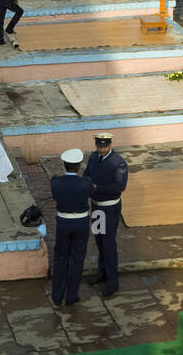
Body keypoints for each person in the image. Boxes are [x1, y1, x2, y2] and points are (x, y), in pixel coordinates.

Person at [84, 132, 128, 297]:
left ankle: (112, 282)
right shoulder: (94, 157)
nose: (101, 149)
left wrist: (96, 188)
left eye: (104, 146)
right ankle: (102, 272)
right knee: (99, 240)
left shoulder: (118, 163)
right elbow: (87, 173)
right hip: (96, 207)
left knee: (108, 244)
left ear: (110, 145)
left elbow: (119, 186)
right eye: (99, 146)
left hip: (109, 209)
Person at [50, 148, 95, 307]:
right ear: (79, 165)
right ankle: (71, 296)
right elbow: (91, 191)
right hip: (81, 223)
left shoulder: (56, 182)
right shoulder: (86, 184)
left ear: (64, 164)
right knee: (77, 259)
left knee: (60, 258)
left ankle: (57, 296)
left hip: (63, 222)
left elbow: (55, 195)